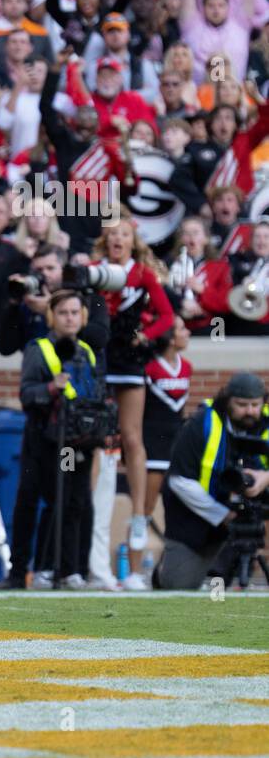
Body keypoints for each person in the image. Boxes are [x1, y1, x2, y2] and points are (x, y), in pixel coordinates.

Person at [5, 290, 107, 590]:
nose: (70, 318)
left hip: (79, 441)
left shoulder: (88, 351)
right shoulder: (38, 349)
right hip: (44, 439)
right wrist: (52, 388)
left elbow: (96, 392)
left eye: (75, 313)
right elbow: (27, 395)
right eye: (63, 313)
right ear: (52, 316)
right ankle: (29, 569)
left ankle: (70, 568)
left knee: (75, 502)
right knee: (38, 500)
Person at [91, 221, 175, 559]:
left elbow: (167, 317)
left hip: (129, 361)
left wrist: (146, 336)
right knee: (98, 439)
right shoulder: (96, 271)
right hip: (100, 358)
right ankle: (94, 513)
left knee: (132, 437)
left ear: (132, 241)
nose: (117, 240)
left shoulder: (142, 274)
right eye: (112, 235)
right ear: (106, 241)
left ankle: (140, 515)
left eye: (124, 234)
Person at [158, 372, 269, 589]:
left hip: (249, 515)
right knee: (178, 587)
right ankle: (163, 572)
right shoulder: (200, 423)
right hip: (196, 516)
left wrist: (264, 478)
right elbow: (179, 480)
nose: (250, 411)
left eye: (255, 405)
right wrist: (224, 515)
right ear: (227, 401)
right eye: (242, 404)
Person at [136, 319, 193, 591]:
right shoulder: (149, 368)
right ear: (170, 337)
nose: (187, 333)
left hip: (176, 446)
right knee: (144, 509)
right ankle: (134, 571)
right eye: (182, 329)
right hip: (151, 445)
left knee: (178, 513)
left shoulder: (187, 367)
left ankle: (170, 569)